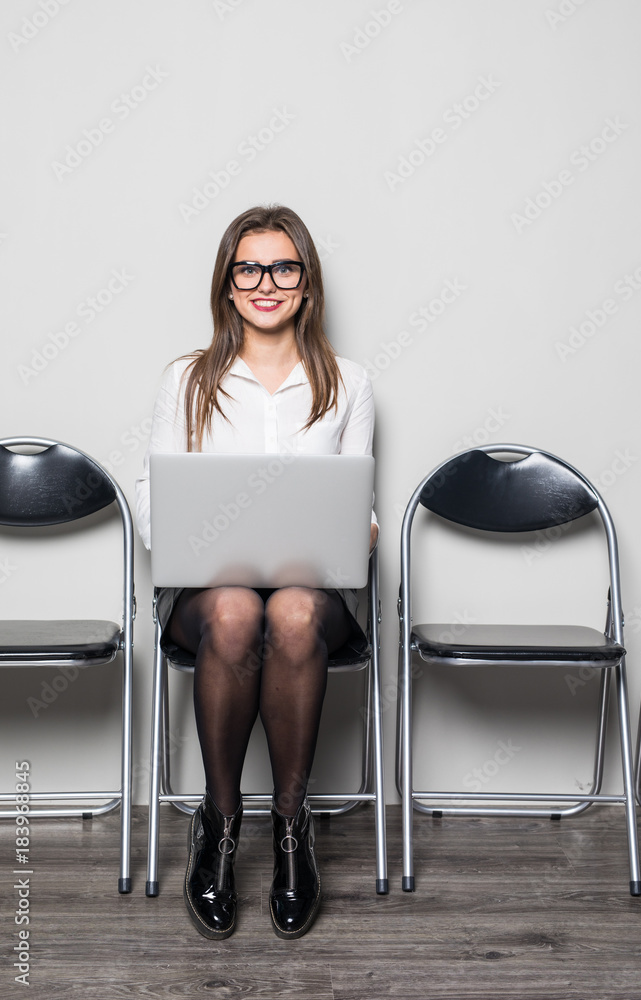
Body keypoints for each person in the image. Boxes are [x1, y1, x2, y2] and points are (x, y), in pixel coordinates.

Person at [135, 205, 378, 941]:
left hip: (314, 594)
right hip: (208, 597)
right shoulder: (186, 378)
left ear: (305, 284)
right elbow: (153, 496)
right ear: (227, 283)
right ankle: (219, 823)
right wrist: (183, 534)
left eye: (282, 267)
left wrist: (358, 530)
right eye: (248, 267)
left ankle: (291, 830)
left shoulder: (348, 381)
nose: (264, 282)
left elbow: (358, 501)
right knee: (240, 608)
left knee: (293, 611)